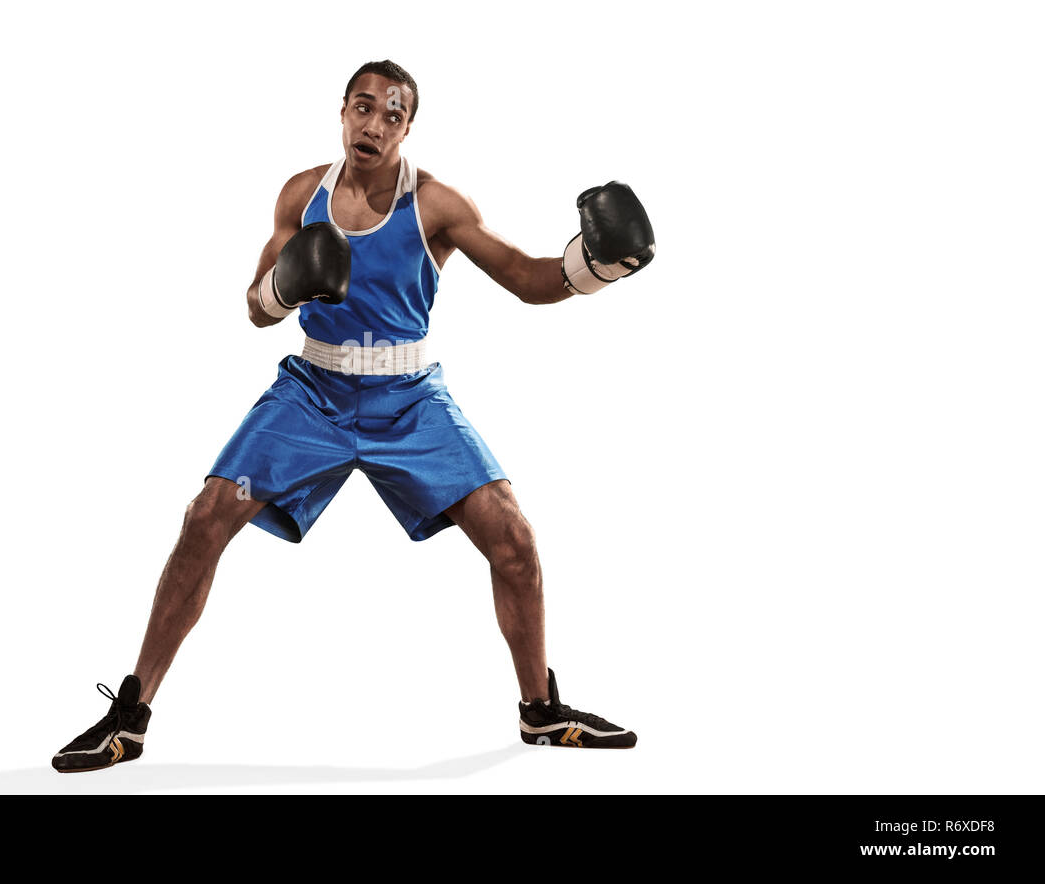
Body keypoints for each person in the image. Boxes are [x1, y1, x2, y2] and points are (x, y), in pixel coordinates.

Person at [52, 60, 655, 771]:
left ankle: (541, 712)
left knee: (514, 539)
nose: (373, 124)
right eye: (362, 107)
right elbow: (253, 306)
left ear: (408, 128)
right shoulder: (301, 195)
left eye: (391, 115)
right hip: (313, 395)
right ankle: (130, 716)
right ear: (341, 111)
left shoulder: (435, 204)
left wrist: (591, 266)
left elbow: (526, 276)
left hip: (410, 402)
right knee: (207, 517)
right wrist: (282, 288)